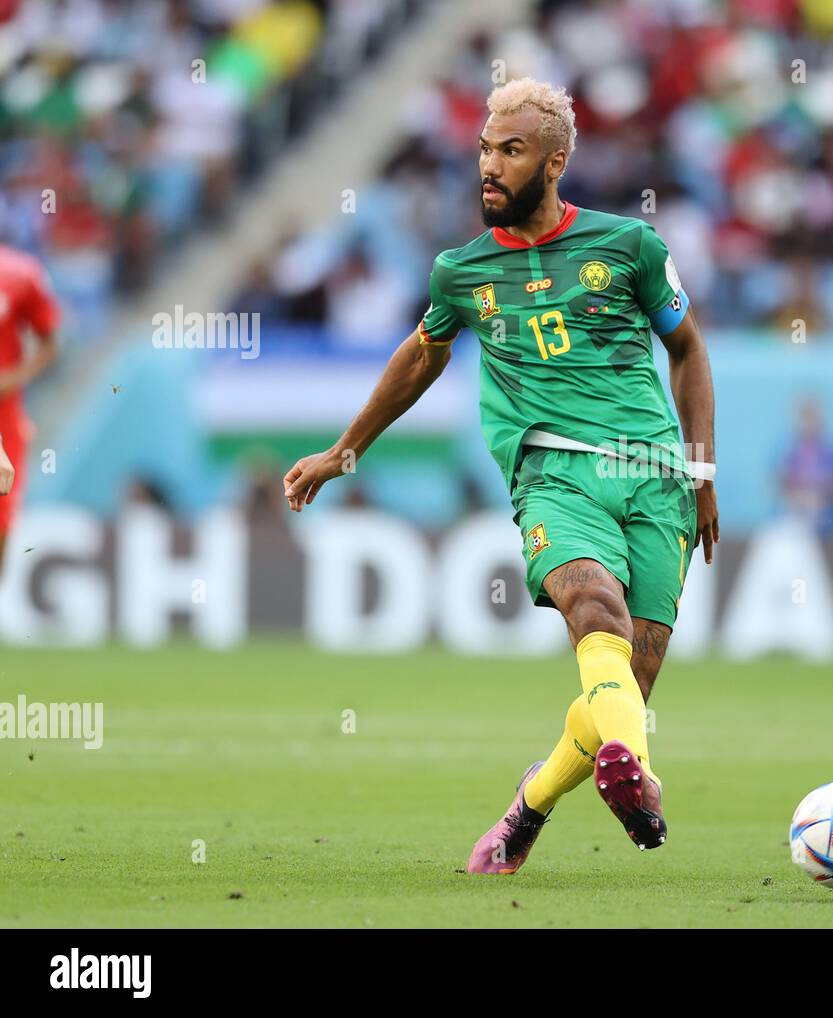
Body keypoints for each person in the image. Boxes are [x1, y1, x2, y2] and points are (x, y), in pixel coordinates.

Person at [282, 79, 719, 873]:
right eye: (485, 148)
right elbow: (421, 356)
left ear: (553, 162)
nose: (489, 165)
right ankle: (640, 773)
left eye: (510, 151)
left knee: (625, 690)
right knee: (595, 610)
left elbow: (688, 348)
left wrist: (702, 468)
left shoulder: (629, 248)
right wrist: (342, 451)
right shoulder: (461, 271)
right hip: (553, 475)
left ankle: (531, 806)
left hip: (657, 478)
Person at [0, 245, 61, 572]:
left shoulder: (21, 273)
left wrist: (12, 378)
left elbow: (50, 343)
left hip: (5, 419)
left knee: (3, 512)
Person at [779, 397, 833, 538]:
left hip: (831, 528)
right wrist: (799, 498)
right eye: (804, 417)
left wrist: (823, 498)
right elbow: (781, 487)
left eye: (812, 416)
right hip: (797, 526)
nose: (808, 423)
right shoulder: (788, 453)